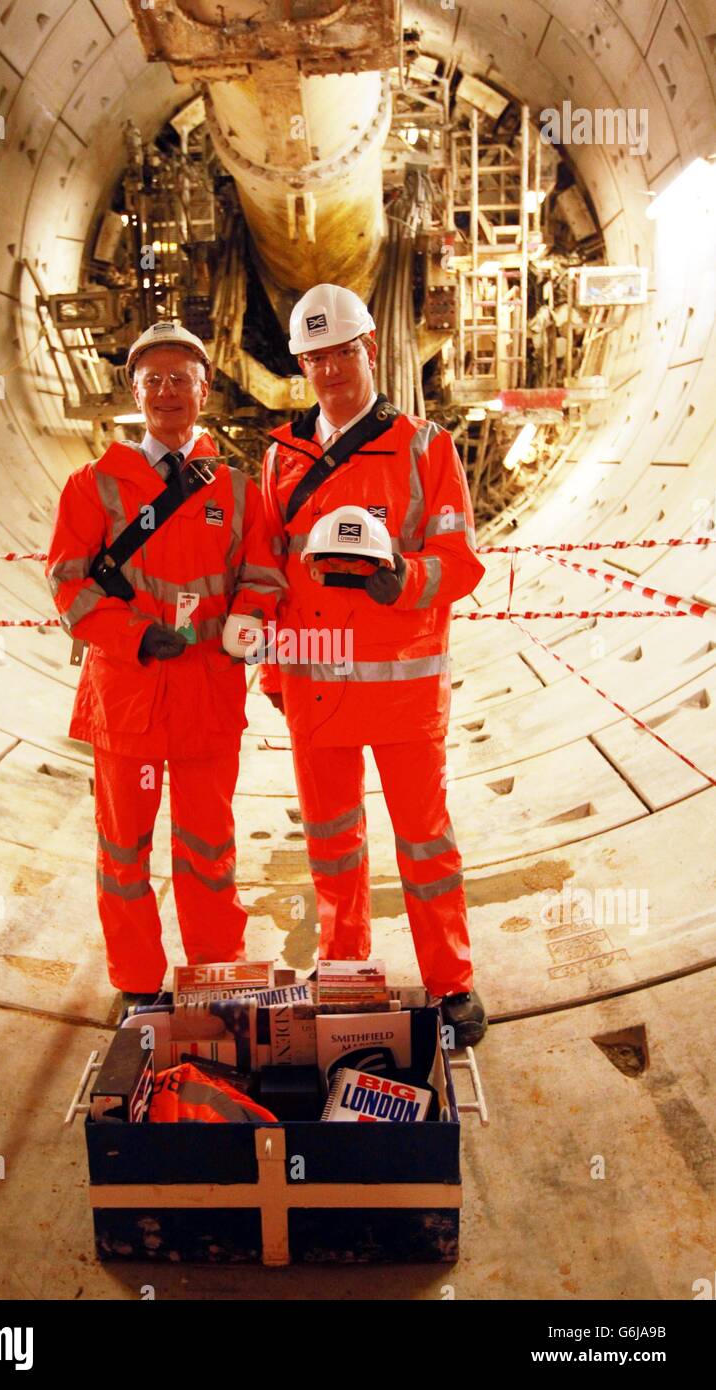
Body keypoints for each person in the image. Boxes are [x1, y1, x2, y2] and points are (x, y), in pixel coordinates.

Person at [258, 284, 488, 1045]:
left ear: (371, 352)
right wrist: (271, 675)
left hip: (402, 688)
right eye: (315, 357)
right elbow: (269, 575)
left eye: (342, 353)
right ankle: (347, 972)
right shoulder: (281, 457)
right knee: (331, 844)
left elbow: (459, 560)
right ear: (301, 363)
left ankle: (452, 982)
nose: (330, 370)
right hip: (315, 687)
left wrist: (407, 580)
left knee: (424, 840)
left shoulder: (425, 448)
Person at [47, 320, 285, 1010]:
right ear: (134, 393)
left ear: (205, 389)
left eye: (181, 377)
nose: (167, 392)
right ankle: (138, 986)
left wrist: (248, 623)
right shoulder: (94, 486)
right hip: (128, 699)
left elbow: (264, 577)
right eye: (153, 380)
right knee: (123, 854)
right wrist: (133, 636)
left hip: (207, 698)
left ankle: (216, 974)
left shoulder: (236, 492)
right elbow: (68, 582)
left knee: (209, 850)